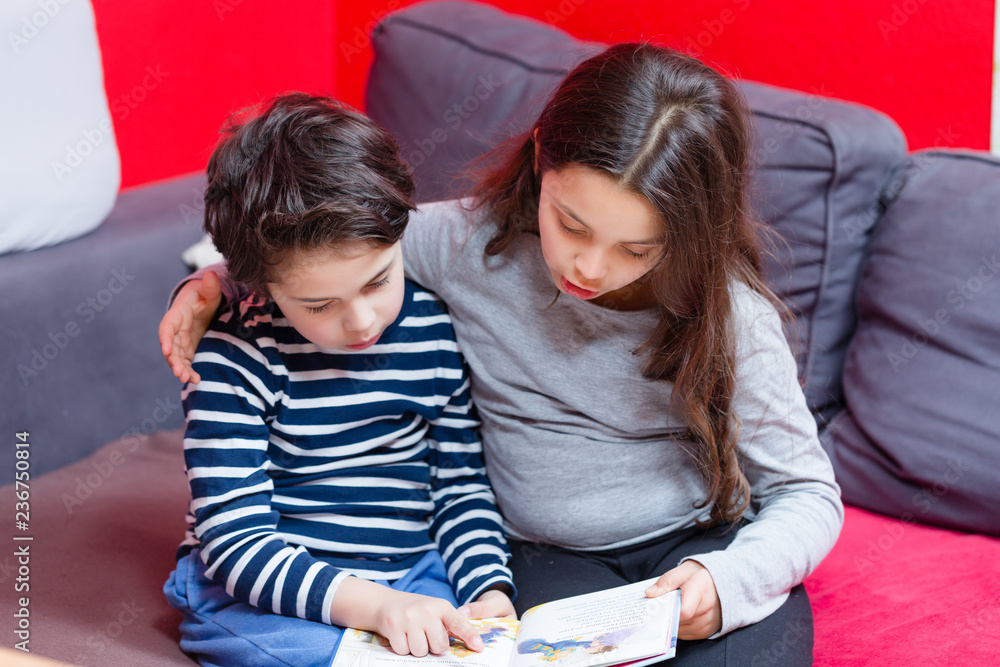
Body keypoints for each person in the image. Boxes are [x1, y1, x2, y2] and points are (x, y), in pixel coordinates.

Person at [161, 44, 843, 666]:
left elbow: (809, 493)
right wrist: (211, 283)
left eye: (638, 250)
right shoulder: (467, 245)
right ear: (543, 155)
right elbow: (333, 247)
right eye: (570, 222)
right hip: (545, 556)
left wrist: (726, 583)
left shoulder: (731, 314)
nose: (590, 266)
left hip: (701, 540)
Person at [160, 93, 516, 667]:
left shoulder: (433, 329)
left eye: (378, 281)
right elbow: (236, 544)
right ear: (257, 284)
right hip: (265, 587)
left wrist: (487, 589)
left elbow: (458, 487)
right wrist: (376, 609)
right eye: (319, 304)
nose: (362, 321)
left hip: (410, 574)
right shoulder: (234, 353)